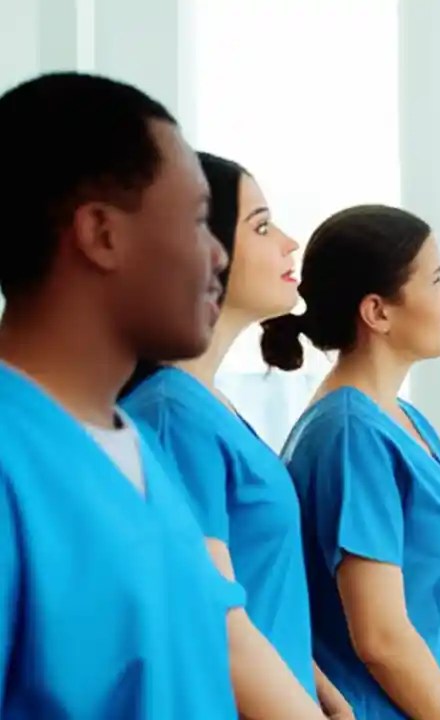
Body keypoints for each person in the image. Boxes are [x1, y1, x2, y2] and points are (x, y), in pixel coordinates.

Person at [0, 72, 240, 717]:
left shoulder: (135, 449)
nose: (219, 256)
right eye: (197, 220)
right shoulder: (13, 459)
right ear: (102, 233)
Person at [120, 153, 348, 718]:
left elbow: (253, 585)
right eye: (263, 227)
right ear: (202, 246)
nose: (290, 243)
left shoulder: (204, 403)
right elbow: (213, 619)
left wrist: (314, 685)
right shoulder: (170, 413)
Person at [261, 205, 440, 720]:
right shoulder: (351, 435)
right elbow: (382, 637)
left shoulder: (401, 419)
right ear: (377, 312)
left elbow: (427, 603)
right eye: (435, 280)